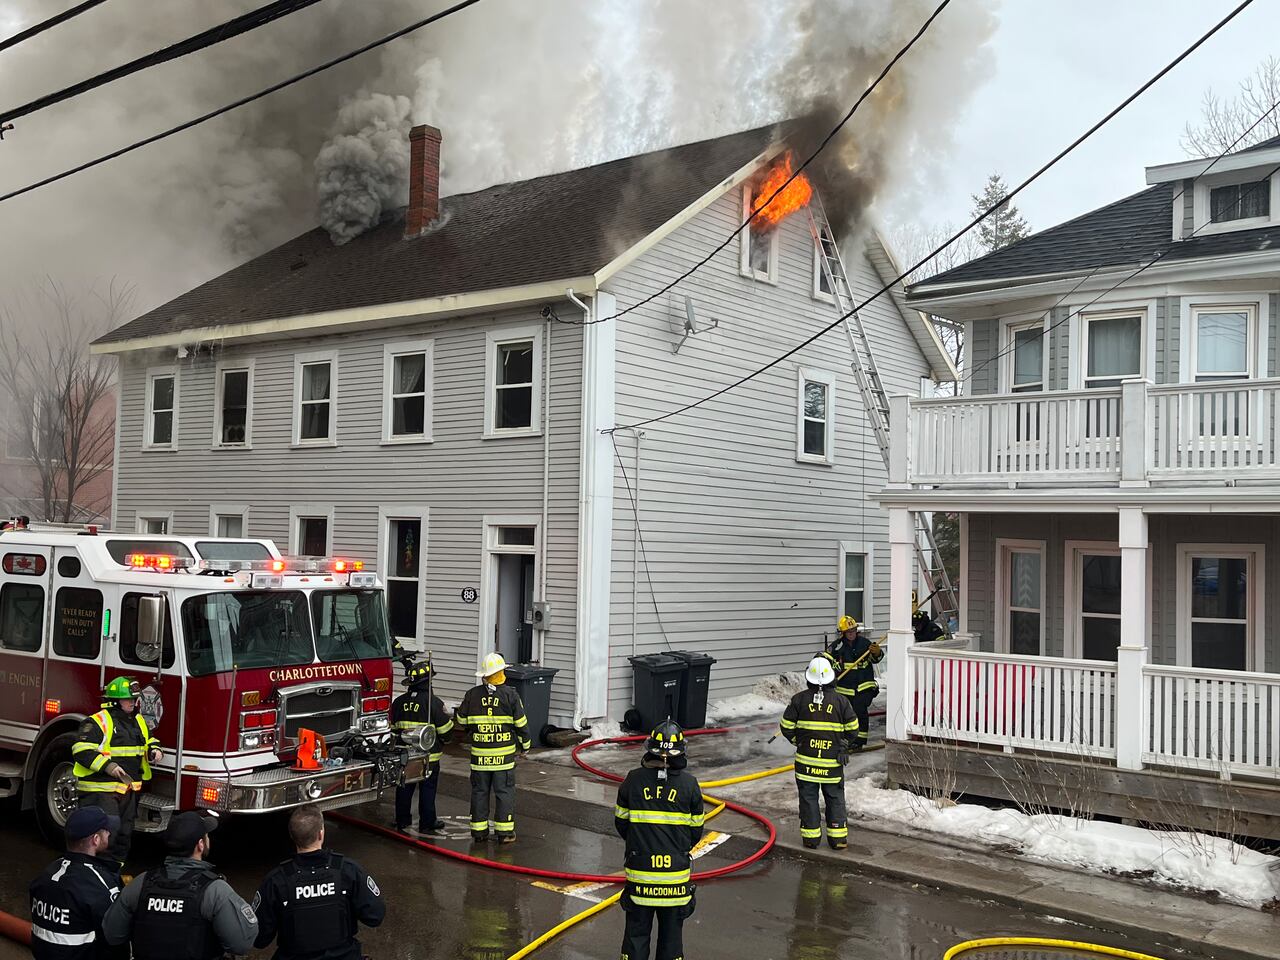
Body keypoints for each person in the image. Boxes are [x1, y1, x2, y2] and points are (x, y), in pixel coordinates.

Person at [102, 811, 257, 960]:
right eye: (206, 836)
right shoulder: (215, 891)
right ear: (200, 845)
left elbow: (112, 934)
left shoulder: (141, 883)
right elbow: (241, 944)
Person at [614, 719, 703, 960]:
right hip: (675, 880)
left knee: (636, 936)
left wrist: (641, 844)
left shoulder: (632, 780)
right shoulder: (690, 785)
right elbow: (696, 831)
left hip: (640, 876)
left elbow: (622, 824)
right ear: (681, 753)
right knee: (671, 939)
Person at [253, 804, 386, 960]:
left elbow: (259, 938)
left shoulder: (276, 881)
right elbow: (375, 916)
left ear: (292, 836)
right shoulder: (348, 871)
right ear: (321, 834)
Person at [71, 676, 162, 867]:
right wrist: (109, 766)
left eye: (134, 698)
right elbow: (81, 750)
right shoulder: (97, 722)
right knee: (105, 836)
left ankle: (113, 874)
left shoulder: (138, 720)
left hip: (128, 789)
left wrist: (155, 750)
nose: (134, 702)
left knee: (124, 834)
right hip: (101, 791)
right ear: (114, 701)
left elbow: (149, 740)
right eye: (129, 699)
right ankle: (95, 873)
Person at [780, 656, 859, 850]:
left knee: (808, 800)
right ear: (832, 677)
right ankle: (838, 839)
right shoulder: (841, 701)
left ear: (809, 678)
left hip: (806, 764)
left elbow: (786, 726)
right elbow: (854, 728)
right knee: (835, 798)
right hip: (832, 765)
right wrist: (844, 745)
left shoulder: (798, 700)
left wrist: (798, 741)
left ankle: (811, 839)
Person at [455, 653, 531, 844]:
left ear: (485, 675)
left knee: (479, 792)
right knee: (504, 792)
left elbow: (461, 720)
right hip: (504, 758)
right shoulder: (511, 695)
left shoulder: (472, 695)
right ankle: (504, 833)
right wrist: (526, 746)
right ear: (502, 672)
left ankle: (479, 833)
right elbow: (521, 724)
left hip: (480, 758)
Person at [29, 808, 125, 959]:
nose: (109, 834)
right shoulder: (100, 884)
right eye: (106, 831)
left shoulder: (47, 873)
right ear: (96, 839)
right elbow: (116, 934)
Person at [392, 659, 454, 836]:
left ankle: (401, 819)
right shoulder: (433, 703)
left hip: (405, 756)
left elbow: (393, 729)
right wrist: (443, 742)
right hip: (428, 757)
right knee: (427, 789)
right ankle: (427, 822)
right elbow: (447, 731)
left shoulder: (398, 702)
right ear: (428, 681)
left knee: (404, 786)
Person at [830, 616, 883, 750]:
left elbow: (876, 659)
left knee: (860, 710)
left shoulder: (865, 643)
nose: (852, 634)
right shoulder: (837, 646)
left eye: (853, 630)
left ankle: (860, 740)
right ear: (843, 633)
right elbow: (827, 659)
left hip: (864, 686)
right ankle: (844, 738)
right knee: (844, 714)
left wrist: (877, 653)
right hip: (844, 688)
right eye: (849, 632)